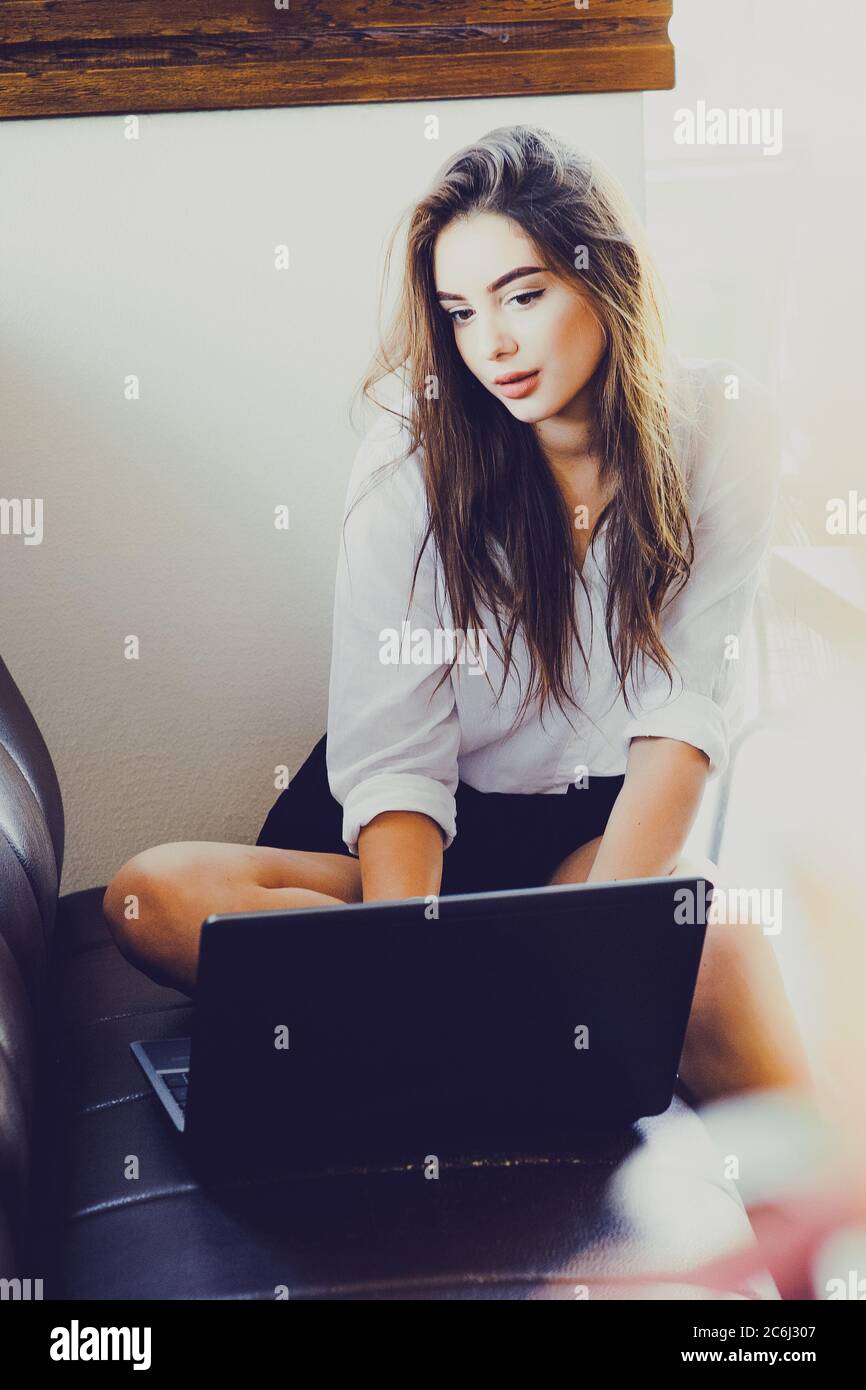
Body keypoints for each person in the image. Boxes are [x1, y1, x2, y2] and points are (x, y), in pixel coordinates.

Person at [102, 125, 811, 1105]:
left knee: (719, 948)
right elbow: (395, 766)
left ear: (603, 278)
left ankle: (828, 1254)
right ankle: (466, 1016)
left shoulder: (725, 425)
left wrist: (604, 952)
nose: (493, 344)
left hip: (586, 835)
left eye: (523, 295)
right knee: (152, 893)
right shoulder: (409, 456)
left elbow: (682, 714)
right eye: (460, 311)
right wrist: (413, 965)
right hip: (407, 833)